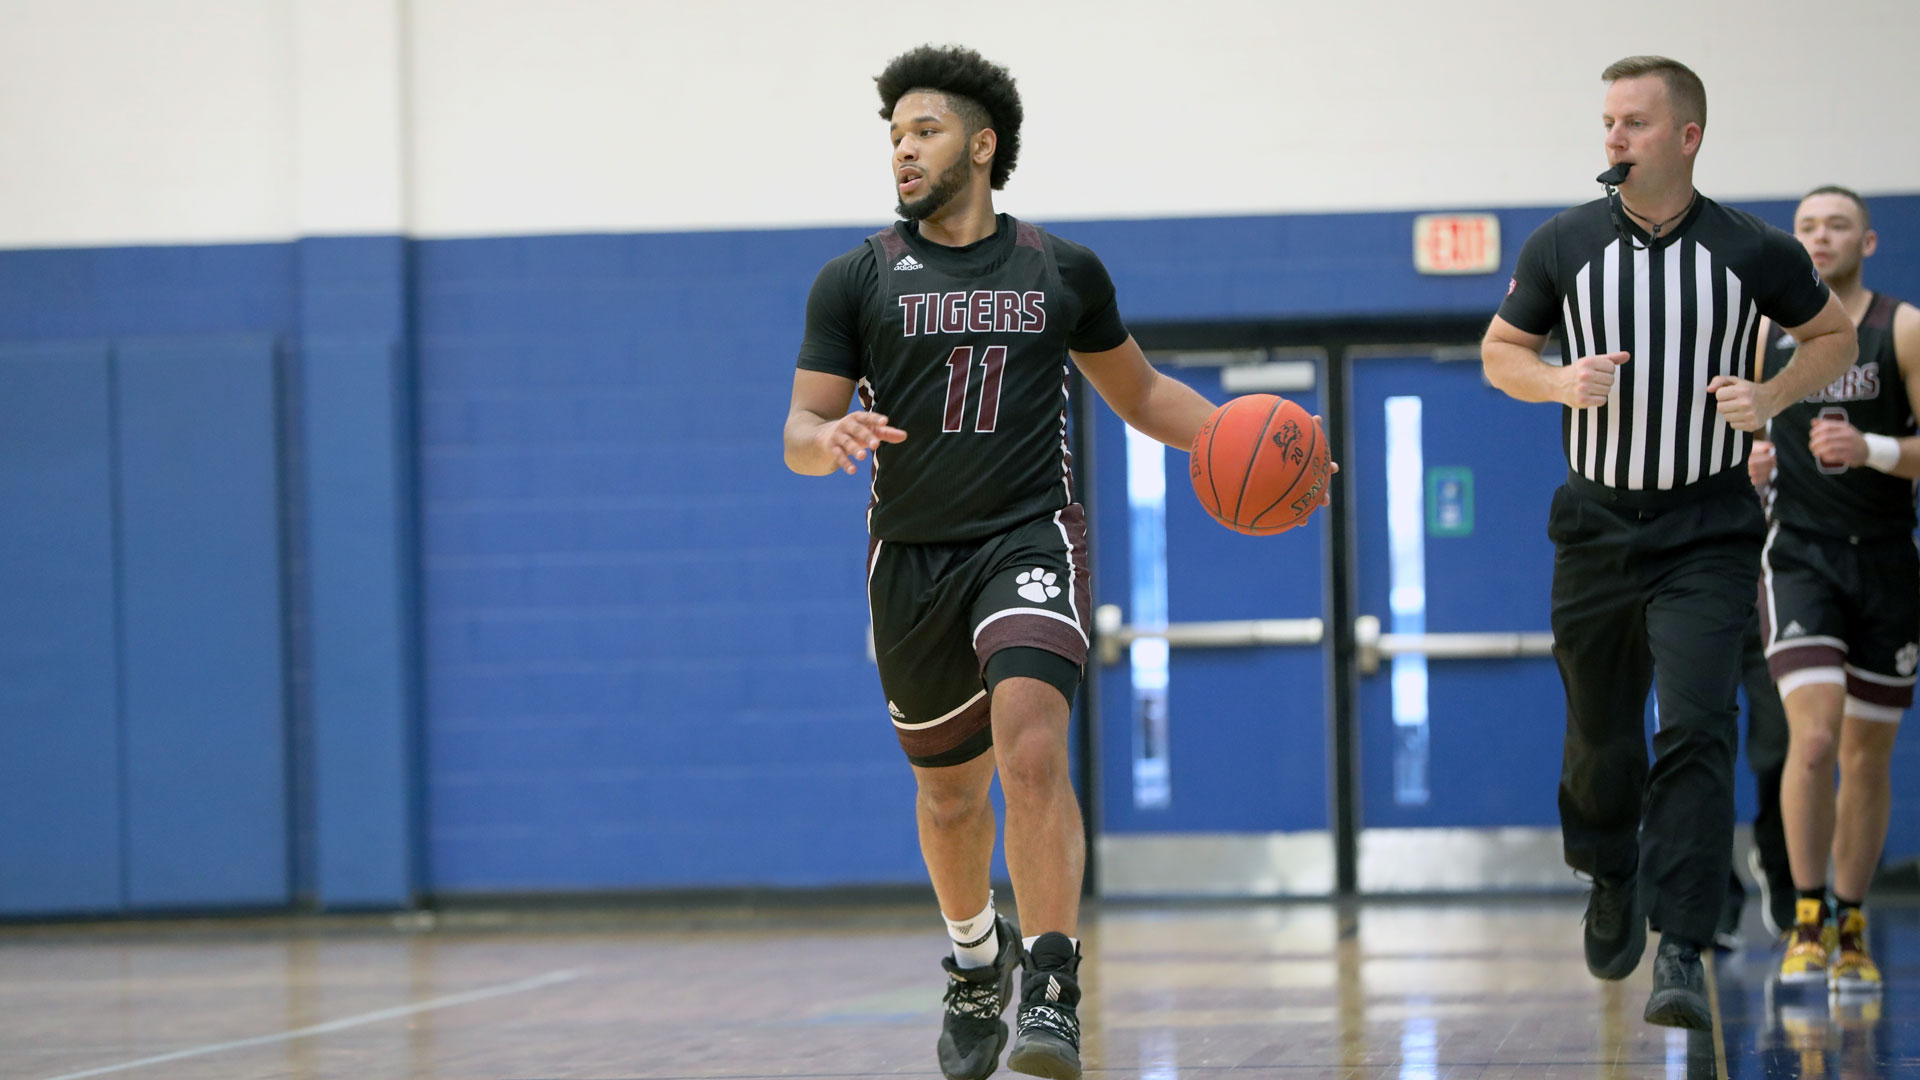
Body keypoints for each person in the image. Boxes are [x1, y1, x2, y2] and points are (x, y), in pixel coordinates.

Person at [784, 45, 1330, 1080]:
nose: (903, 148)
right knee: (950, 799)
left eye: (925, 130)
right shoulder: (855, 277)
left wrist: (1269, 447)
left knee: (1031, 745)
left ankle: (1053, 984)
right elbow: (800, 426)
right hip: (910, 559)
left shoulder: (1060, 269)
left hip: (1030, 536)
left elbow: (1146, 396)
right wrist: (827, 442)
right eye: (893, 134)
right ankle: (973, 957)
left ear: (982, 146)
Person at [1480, 55, 1856, 1029]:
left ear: (1686, 137)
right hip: (1596, 527)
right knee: (1602, 741)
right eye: (1607, 121)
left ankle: (1682, 943)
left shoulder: (1755, 250)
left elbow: (1836, 340)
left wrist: (1770, 397)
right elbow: (1499, 353)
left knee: (1696, 726)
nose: (1612, 138)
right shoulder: (1564, 244)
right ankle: (1608, 871)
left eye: (1634, 124)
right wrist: (1559, 382)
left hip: (1708, 527)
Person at [1749, 185, 1919, 995]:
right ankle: (1806, 915)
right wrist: (1746, 468)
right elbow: (1732, 430)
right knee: (1811, 742)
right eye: (1808, 226)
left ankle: (1852, 922)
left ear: (1868, 241)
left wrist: (1875, 449)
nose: (1821, 237)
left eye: (1837, 225)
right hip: (1801, 558)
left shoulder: (1902, 328)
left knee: (1867, 755)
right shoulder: (1766, 334)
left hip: (1885, 560)